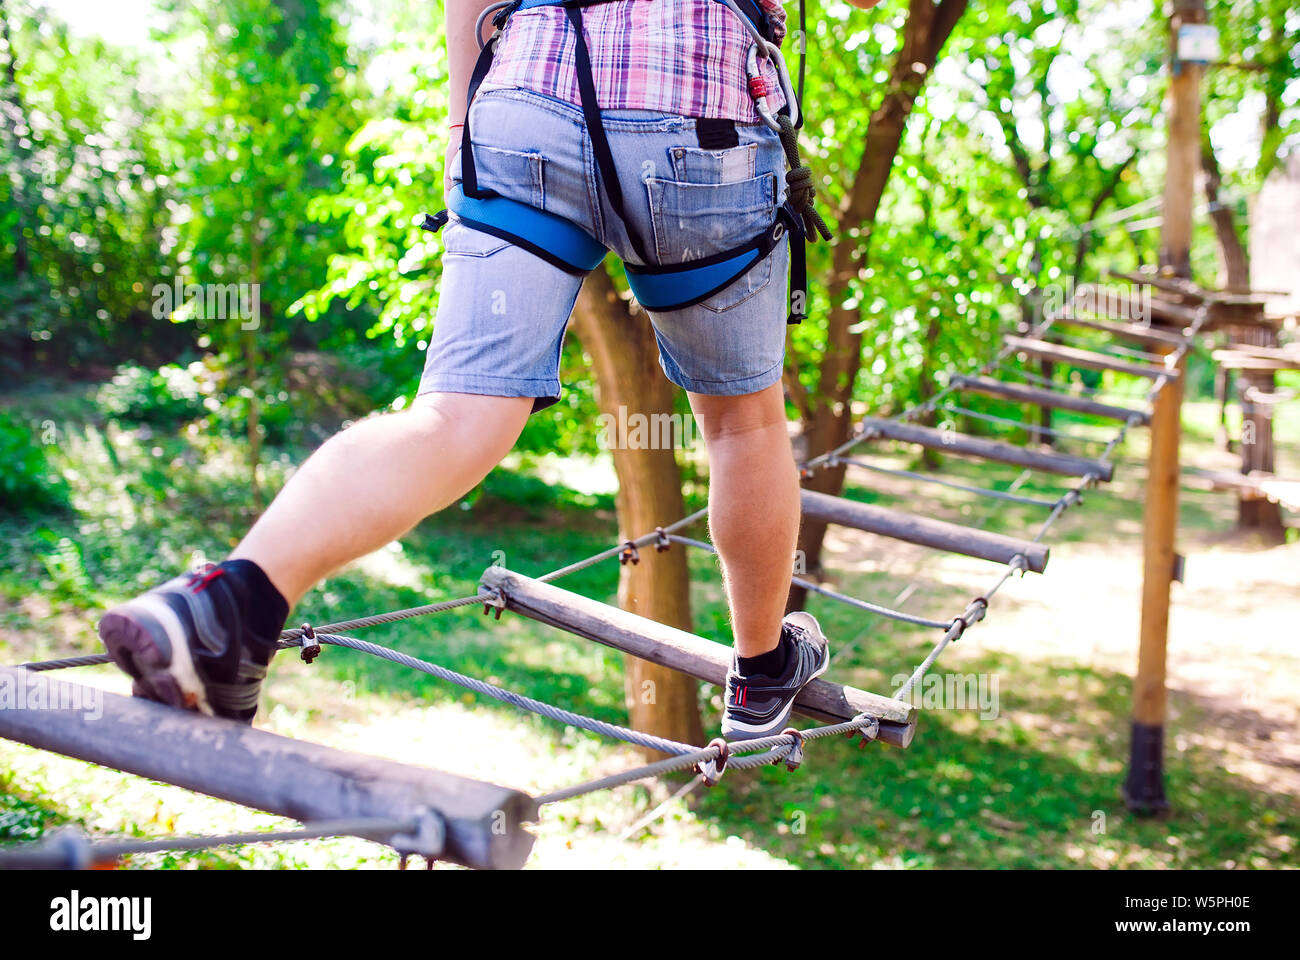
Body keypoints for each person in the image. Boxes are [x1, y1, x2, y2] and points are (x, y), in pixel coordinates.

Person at [97, 0, 883, 741]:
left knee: (453, 417)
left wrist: (459, 126)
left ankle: (230, 604)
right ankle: (758, 670)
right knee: (741, 422)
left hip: (526, 98)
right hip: (699, 106)